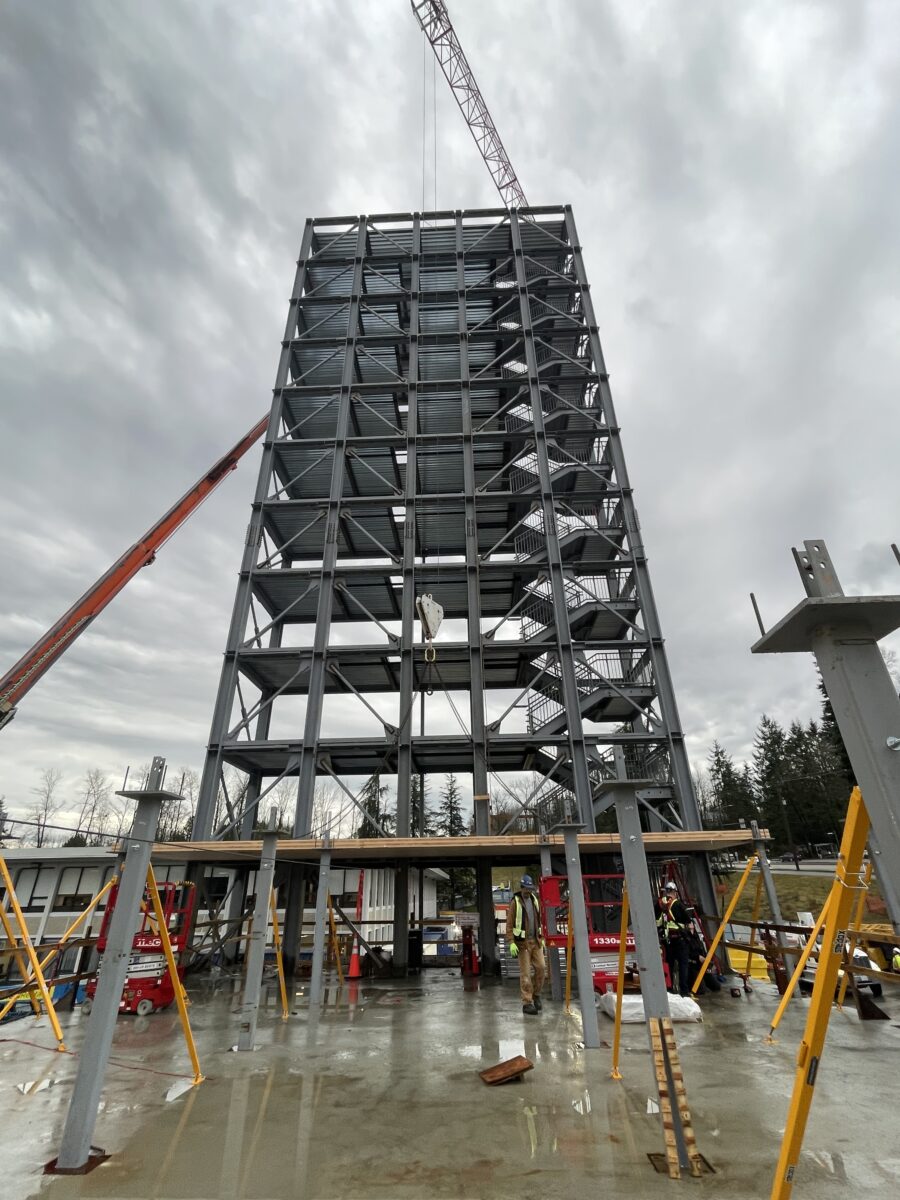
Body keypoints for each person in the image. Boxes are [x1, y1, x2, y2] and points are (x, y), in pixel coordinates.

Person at [506, 875, 546, 1015]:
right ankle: (527, 1003)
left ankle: (537, 995)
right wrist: (511, 942)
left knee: (541, 968)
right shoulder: (515, 903)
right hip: (522, 945)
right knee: (526, 974)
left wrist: (542, 938)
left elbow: (539, 921)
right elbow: (509, 925)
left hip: (536, 941)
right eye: (526, 889)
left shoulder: (535, 900)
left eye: (530, 889)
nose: (528, 891)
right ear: (522, 888)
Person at [656, 881, 693, 996]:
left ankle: (669, 989)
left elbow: (657, 921)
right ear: (674, 892)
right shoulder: (678, 904)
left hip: (667, 940)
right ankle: (684, 992)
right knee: (683, 965)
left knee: (669, 965)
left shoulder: (660, 904)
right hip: (680, 939)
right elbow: (688, 921)